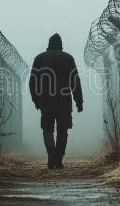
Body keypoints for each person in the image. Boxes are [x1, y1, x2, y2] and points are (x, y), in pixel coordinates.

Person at [28, 33, 83, 169]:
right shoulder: (68, 58)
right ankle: (58, 158)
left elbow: (32, 82)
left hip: (45, 101)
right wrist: (79, 101)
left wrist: (36, 100)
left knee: (47, 129)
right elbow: (75, 81)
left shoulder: (39, 58)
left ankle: (51, 154)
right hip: (64, 101)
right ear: (61, 44)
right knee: (63, 130)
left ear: (49, 44)